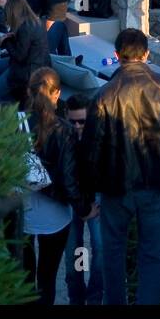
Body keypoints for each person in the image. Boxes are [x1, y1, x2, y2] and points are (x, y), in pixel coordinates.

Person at [80, 28, 160, 306]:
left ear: (117, 56)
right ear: (146, 54)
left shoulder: (103, 95)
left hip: (115, 187)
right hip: (156, 185)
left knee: (113, 254)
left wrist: (86, 198)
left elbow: (90, 152)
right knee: (153, 256)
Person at [19, 68, 87, 306]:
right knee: (46, 279)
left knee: (24, 280)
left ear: (29, 90)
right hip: (56, 216)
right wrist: (84, 209)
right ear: (57, 93)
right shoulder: (64, 130)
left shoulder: (14, 124)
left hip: (21, 213)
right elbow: (69, 180)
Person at [62, 93, 103, 305]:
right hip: (73, 199)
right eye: (73, 122)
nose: (77, 126)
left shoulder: (98, 135)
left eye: (82, 122)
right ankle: (77, 297)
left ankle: (94, 298)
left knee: (99, 250)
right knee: (77, 251)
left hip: (94, 197)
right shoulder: (63, 136)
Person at [0, 0, 51, 105]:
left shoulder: (25, 28)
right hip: (34, 64)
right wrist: (13, 37)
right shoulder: (34, 22)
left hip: (27, 70)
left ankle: (12, 105)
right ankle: (10, 94)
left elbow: (19, 56)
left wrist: (5, 42)